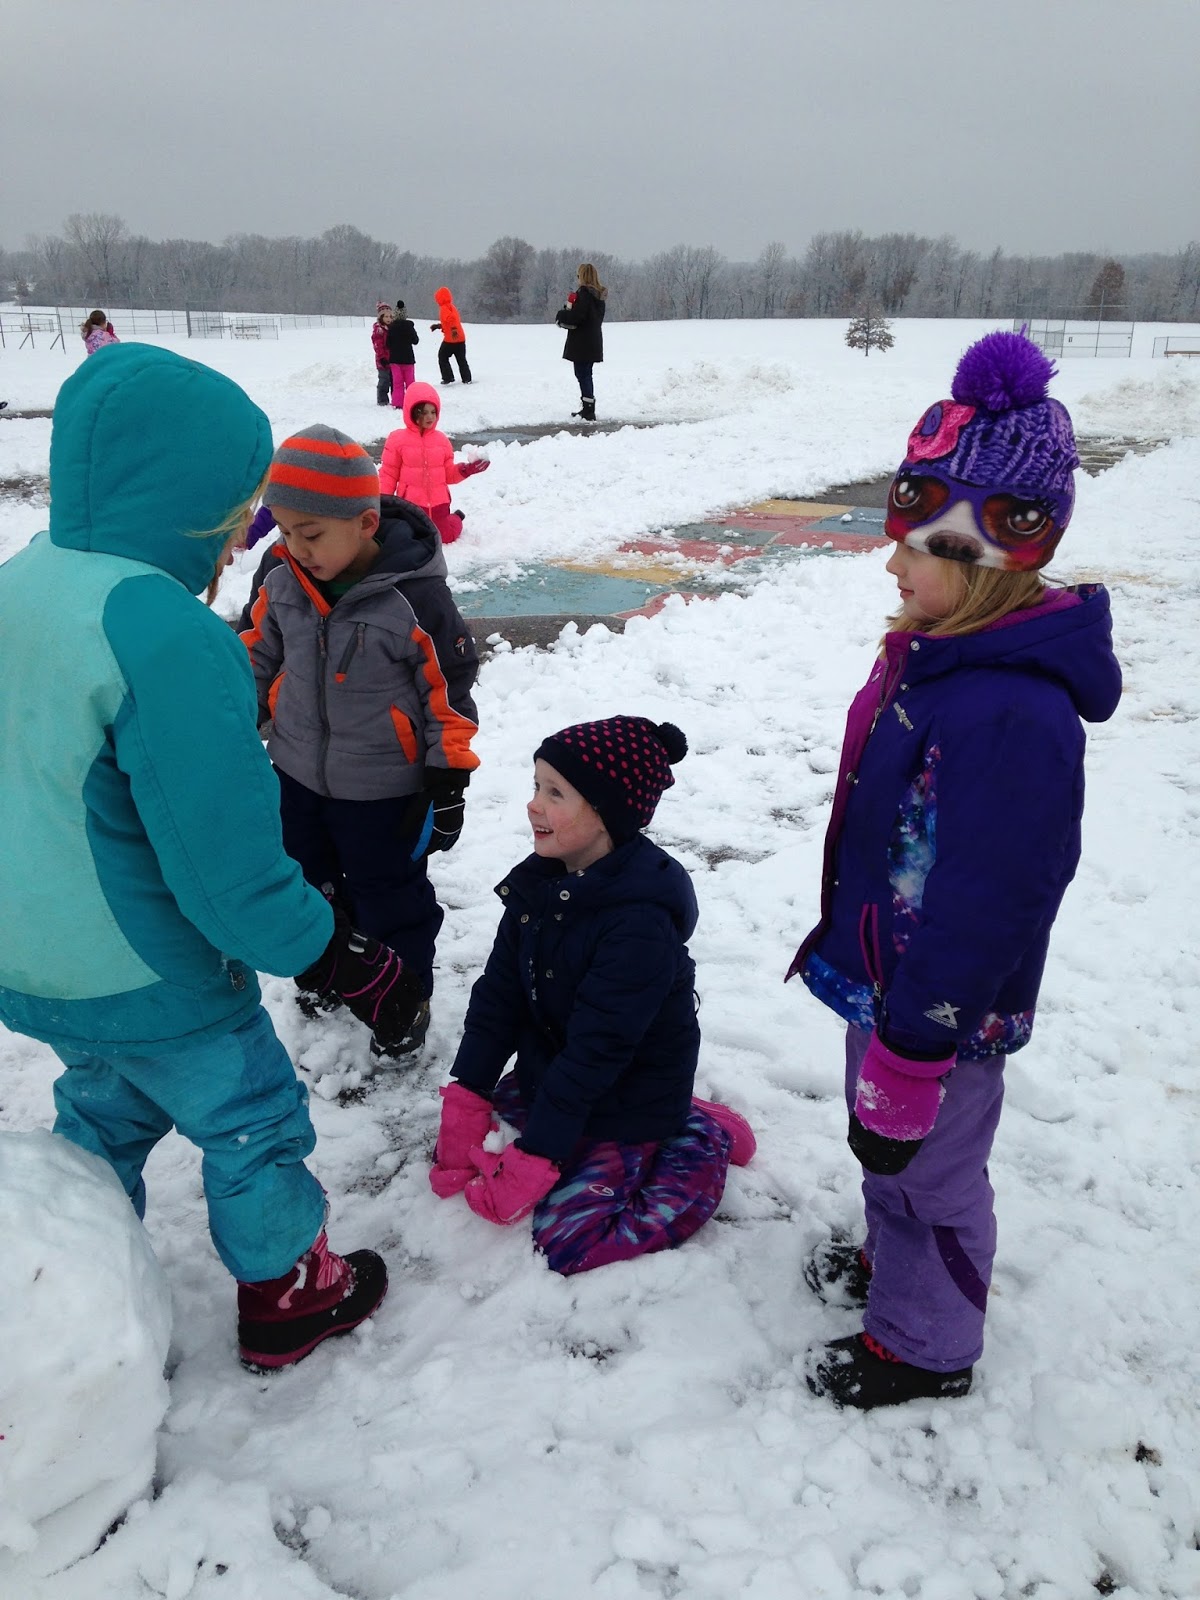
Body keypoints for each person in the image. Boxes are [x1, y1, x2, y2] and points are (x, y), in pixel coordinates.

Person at [0, 343, 394, 1369]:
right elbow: (220, 864)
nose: (234, 545)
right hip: (147, 961)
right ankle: (290, 1291)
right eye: (229, 520)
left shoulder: (20, 586)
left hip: (31, 953)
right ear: (187, 502)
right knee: (250, 1113)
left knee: (105, 1097)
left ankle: (79, 1274)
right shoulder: (162, 633)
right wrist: (328, 950)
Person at [790, 331, 1122, 1410]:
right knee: (887, 1155)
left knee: (929, 1172)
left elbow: (992, 902)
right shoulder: (934, 660)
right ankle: (899, 1273)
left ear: (991, 556)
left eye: (917, 544)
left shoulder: (1013, 713)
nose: (892, 561)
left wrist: (919, 1041)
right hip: (888, 987)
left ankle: (929, 1343)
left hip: (940, 1010)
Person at [430, 716, 756, 1275]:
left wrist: (537, 1158)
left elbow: (596, 1052)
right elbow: (499, 994)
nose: (533, 805)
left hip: (629, 1099)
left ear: (608, 813)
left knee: (568, 1240)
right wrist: (468, 1097)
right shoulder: (538, 883)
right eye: (536, 786)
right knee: (496, 1121)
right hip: (562, 1075)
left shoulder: (638, 925)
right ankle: (566, 1126)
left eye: (555, 793)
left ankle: (698, 1141)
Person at [238, 425, 481, 1059]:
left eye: (311, 534)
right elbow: (254, 656)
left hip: (384, 787)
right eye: (285, 530)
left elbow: (448, 689)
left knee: (387, 894)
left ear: (366, 523)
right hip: (295, 770)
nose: (296, 546)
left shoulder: (415, 596)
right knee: (308, 880)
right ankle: (330, 972)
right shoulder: (281, 576)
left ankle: (403, 995)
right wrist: (230, 720)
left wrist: (447, 777)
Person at [378, 382, 489, 545]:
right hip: (411, 505)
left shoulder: (442, 440)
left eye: (433, 412)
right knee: (410, 538)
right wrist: (382, 503)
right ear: (412, 412)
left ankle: (456, 518)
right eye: (423, 412)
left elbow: (449, 474)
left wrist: (466, 470)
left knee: (445, 537)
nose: (430, 417)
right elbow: (388, 474)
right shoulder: (397, 439)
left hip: (439, 503)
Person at [555, 262, 607, 422]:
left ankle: (588, 410)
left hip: (582, 342)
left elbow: (578, 317)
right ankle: (588, 406)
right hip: (593, 340)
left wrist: (562, 314)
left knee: (582, 374)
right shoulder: (598, 296)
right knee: (586, 374)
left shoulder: (584, 294)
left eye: (578, 275)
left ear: (582, 276)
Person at [429, 285, 471, 384]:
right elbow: (451, 322)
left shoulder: (444, 308)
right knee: (461, 360)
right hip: (460, 338)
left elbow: (450, 320)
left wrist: (446, 327)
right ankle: (467, 378)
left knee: (442, 356)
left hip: (451, 339)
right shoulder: (452, 307)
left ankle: (448, 377)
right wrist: (439, 326)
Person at [385, 299, 420, 412]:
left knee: (397, 382)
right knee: (410, 382)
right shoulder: (409, 327)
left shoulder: (392, 327)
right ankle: (412, 402)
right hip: (408, 359)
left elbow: (388, 344)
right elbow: (415, 341)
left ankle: (398, 403)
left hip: (395, 360)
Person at [371, 302, 393, 405]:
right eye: (386, 317)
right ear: (381, 317)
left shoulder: (392, 328)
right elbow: (378, 346)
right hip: (382, 360)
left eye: (390, 316)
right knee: (384, 380)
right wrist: (382, 357)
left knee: (394, 380)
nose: (389, 319)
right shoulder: (378, 330)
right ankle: (382, 399)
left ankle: (396, 398)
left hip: (393, 359)